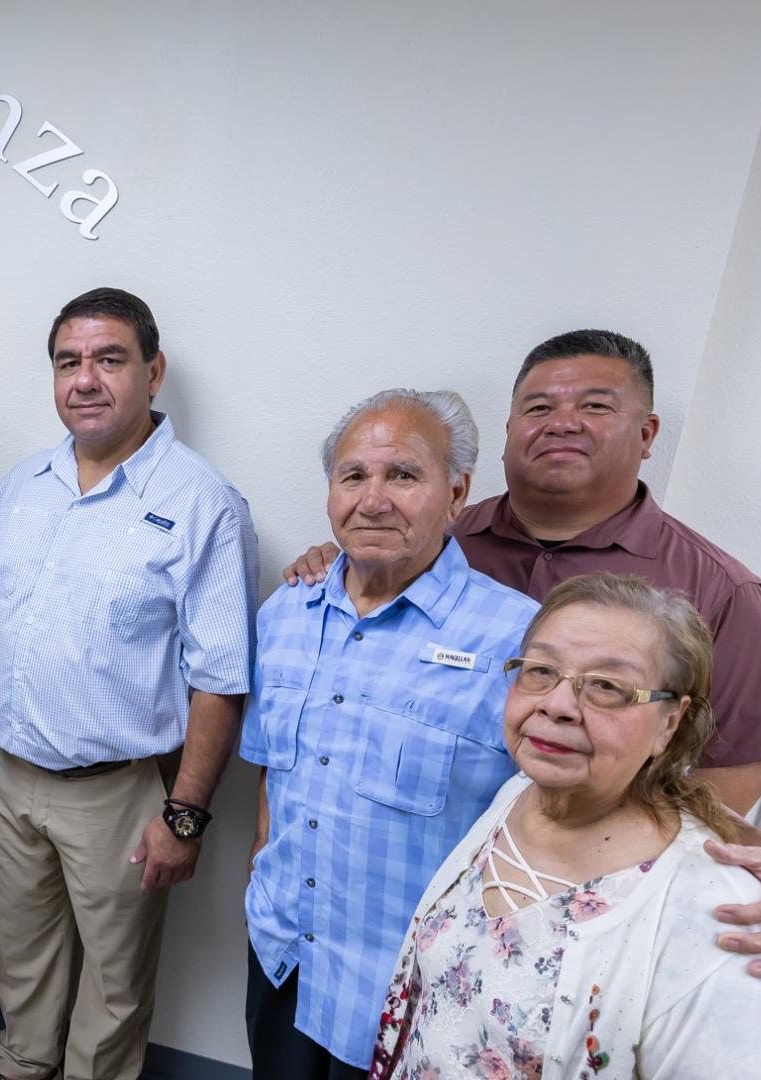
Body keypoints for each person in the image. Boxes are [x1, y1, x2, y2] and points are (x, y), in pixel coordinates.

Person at [283, 329, 761, 989]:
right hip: (403, 911)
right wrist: (328, 564)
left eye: (595, 406)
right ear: (509, 431)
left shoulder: (714, 588)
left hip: (581, 919)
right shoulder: (429, 542)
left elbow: (732, 774)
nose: (562, 422)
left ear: (647, 434)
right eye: (539, 408)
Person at [371, 572, 761, 1078]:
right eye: (540, 671)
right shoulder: (518, 794)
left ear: (670, 722)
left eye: (607, 687)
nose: (557, 704)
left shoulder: (724, 923)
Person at [0, 288, 259, 1080]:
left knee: (115, 982)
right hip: (11, 774)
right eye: (69, 362)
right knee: (21, 955)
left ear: (153, 371)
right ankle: (23, 1062)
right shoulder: (25, 485)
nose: (86, 379)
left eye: (109, 359)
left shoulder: (204, 503)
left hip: (121, 793)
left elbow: (221, 680)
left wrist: (186, 814)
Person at [241, 389, 539, 1079]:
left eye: (403, 475)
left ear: (456, 492)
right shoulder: (287, 611)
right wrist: (261, 876)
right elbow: (273, 776)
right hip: (284, 952)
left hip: (415, 987)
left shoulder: (519, 639)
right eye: (353, 476)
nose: (372, 500)